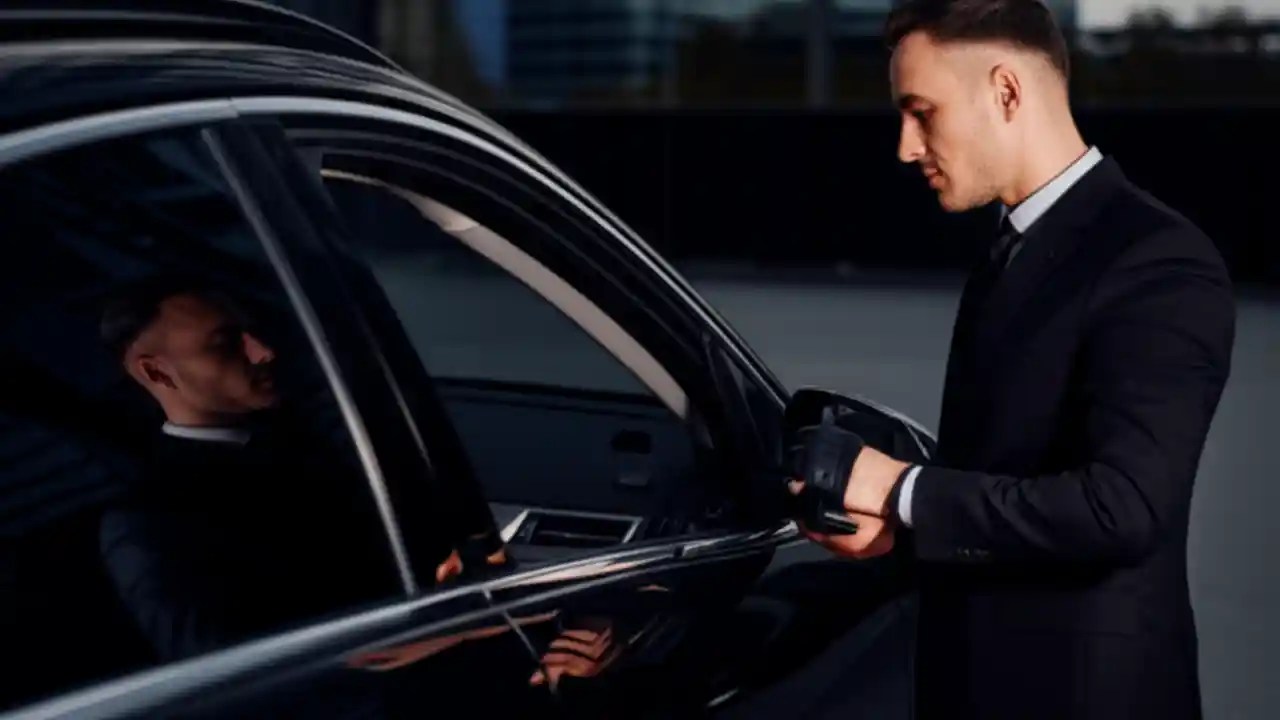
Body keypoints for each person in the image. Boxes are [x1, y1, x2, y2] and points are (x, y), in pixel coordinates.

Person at [786, 1, 1236, 719]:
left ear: (1005, 91)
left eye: (922, 112)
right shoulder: (1011, 251)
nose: (905, 146)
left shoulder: (1159, 261)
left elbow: (1121, 507)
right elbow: (1007, 480)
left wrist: (902, 489)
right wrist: (899, 527)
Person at [96, 278, 475, 661]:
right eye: (225, 343)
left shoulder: (314, 435)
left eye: (252, 333)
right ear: (157, 373)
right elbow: (239, 672)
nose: (263, 352)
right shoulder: (151, 519)